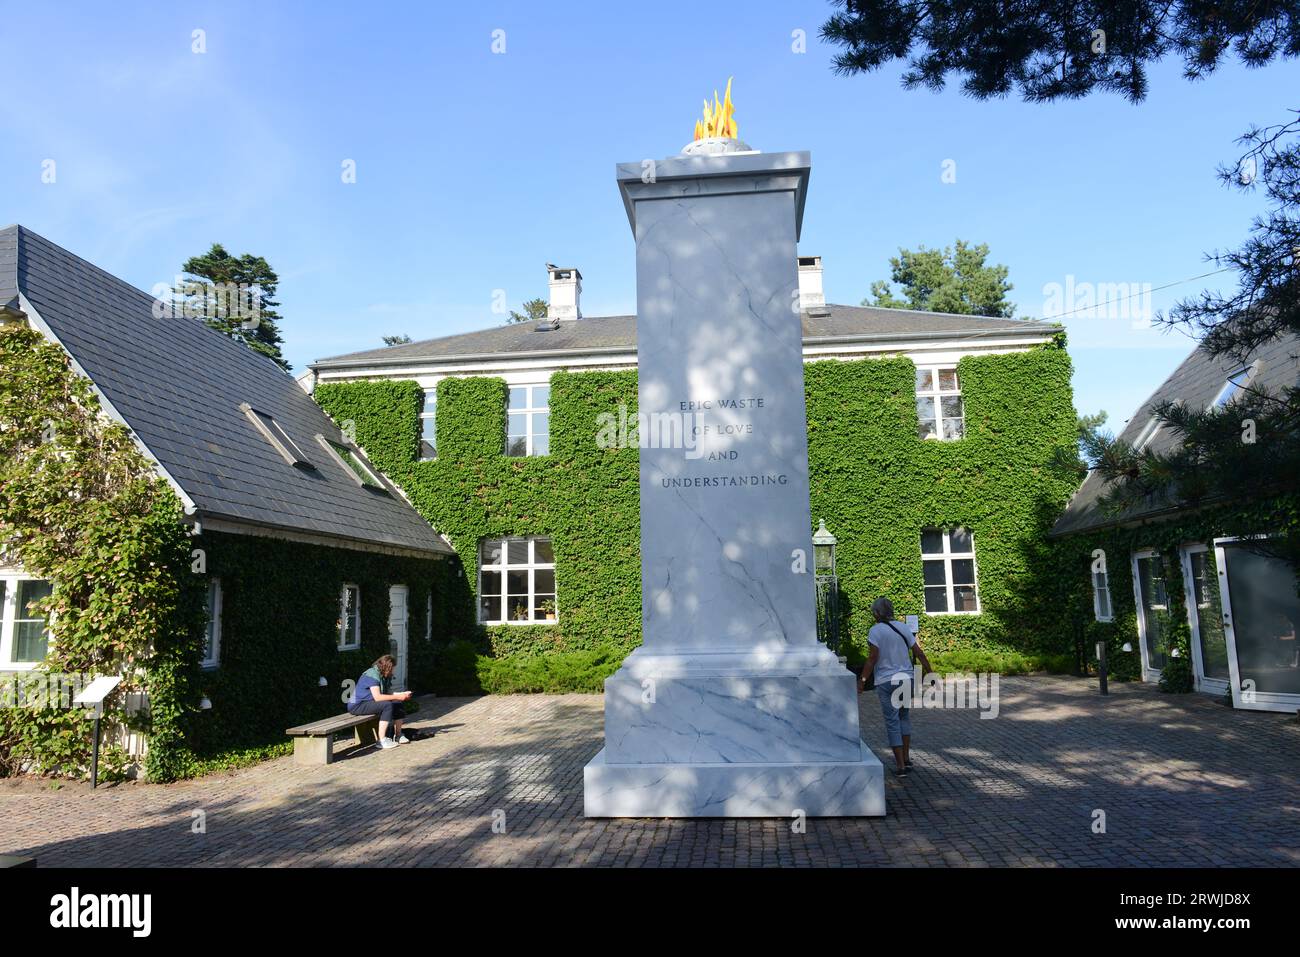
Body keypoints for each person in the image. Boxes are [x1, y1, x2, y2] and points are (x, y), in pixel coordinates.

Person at [857, 597, 931, 777]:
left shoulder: (875, 631)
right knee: (904, 717)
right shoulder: (903, 627)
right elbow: (919, 653)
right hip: (906, 678)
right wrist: (930, 672)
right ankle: (906, 758)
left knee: (892, 721)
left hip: (886, 681)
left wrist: (863, 680)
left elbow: (872, 658)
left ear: (877, 613)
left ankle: (900, 766)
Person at [348, 655, 413, 749]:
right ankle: (381, 740)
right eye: (392, 668)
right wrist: (397, 696)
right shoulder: (372, 675)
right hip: (357, 705)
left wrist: (402, 694)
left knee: (397, 703)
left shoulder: (382, 675)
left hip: (369, 702)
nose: (393, 671)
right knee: (387, 705)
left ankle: (398, 735)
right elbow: (378, 697)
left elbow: (387, 693)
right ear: (387, 667)